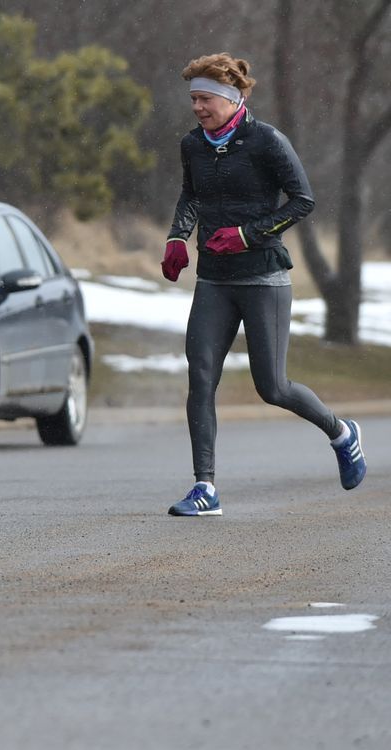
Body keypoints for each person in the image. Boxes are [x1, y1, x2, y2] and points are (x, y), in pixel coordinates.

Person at [161, 52, 366, 517]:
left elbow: (302, 201)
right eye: (193, 99)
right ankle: (205, 487)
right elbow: (190, 194)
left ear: (232, 99)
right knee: (201, 374)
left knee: (271, 387)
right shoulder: (193, 145)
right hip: (213, 277)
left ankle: (341, 433)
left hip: (263, 278)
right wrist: (177, 236)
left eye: (205, 99)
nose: (197, 107)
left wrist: (248, 235)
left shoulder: (266, 141)